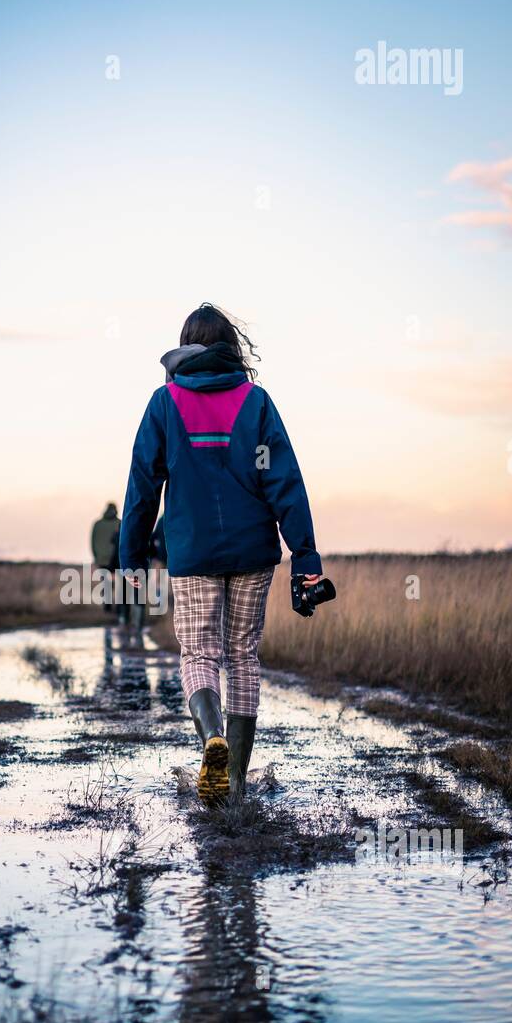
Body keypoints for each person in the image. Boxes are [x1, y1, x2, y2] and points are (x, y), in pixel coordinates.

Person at [119, 303, 322, 803]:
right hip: (254, 549)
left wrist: (132, 557)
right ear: (230, 346)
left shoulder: (164, 403)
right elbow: (285, 481)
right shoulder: (255, 402)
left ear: (185, 346)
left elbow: (143, 485)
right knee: (242, 657)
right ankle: (234, 779)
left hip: (192, 553)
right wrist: (306, 556)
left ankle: (211, 738)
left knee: (199, 654)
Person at [90, 502, 121, 616]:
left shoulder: (97, 524)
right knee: (119, 584)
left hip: (102, 560)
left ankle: (107, 608)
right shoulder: (119, 523)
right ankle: (119, 608)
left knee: (106, 584)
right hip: (116, 559)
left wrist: (96, 556)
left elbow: (92, 542)